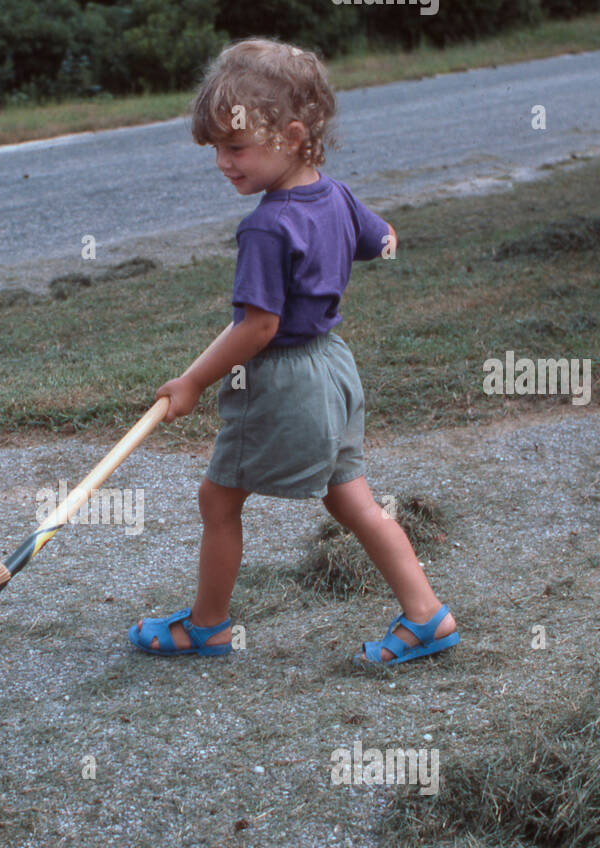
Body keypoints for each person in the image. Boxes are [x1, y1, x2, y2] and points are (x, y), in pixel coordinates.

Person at [128, 38, 459, 666]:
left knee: (219, 499)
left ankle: (207, 626)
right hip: (333, 367)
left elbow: (258, 328)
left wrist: (193, 381)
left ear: (292, 135)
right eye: (215, 149)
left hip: (283, 382)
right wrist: (339, 255)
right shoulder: (335, 196)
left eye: (235, 147)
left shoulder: (265, 225)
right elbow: (385, 239)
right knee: (351, 498)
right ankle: (427, 615)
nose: (222, 162)